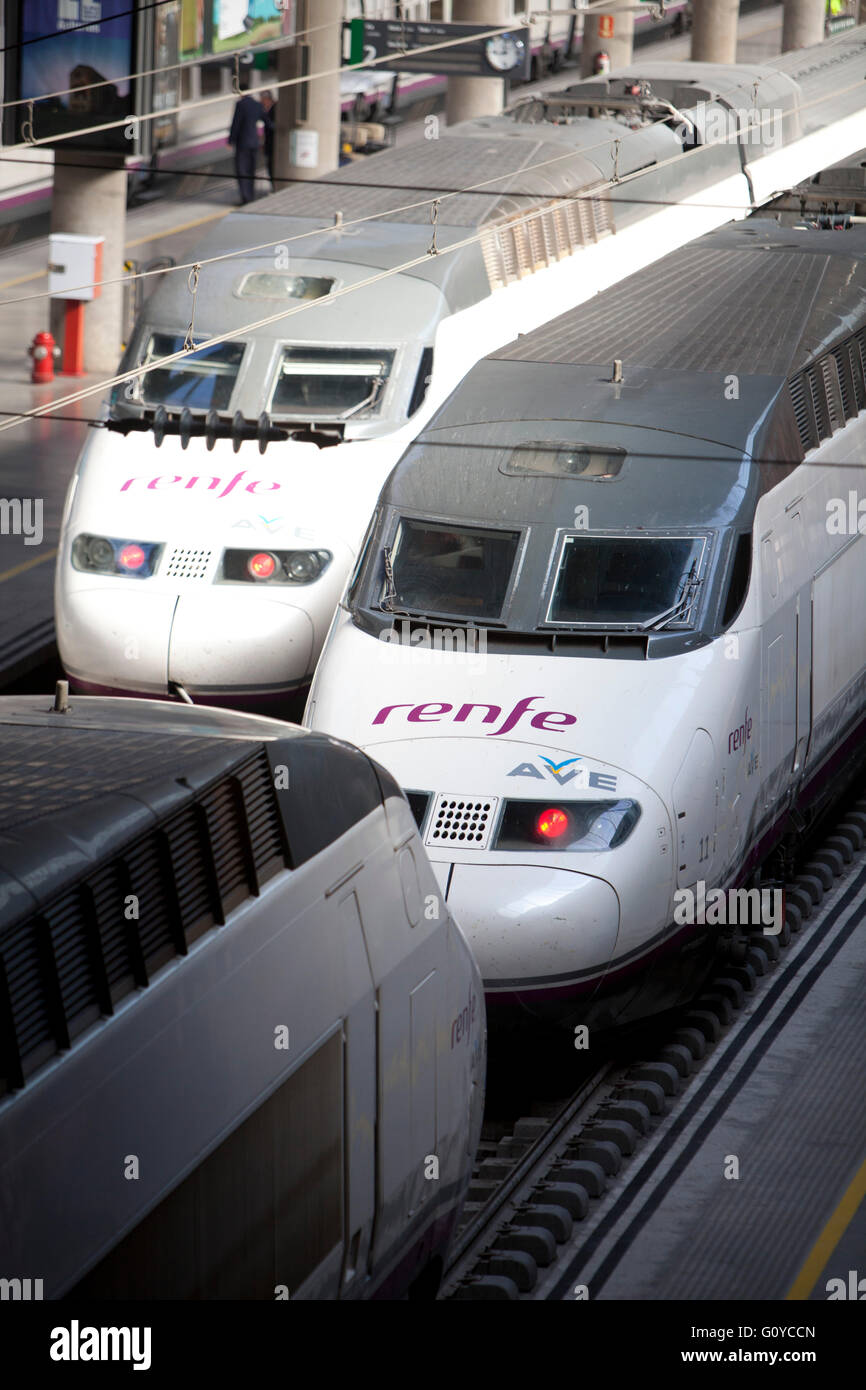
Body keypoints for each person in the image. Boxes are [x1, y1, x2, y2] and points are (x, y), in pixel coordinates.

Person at [228, 75, 263, 205]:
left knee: (242, 170)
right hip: (254, 142)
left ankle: (245, 197)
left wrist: (231, 140)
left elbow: (236, 124)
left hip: (242, 143)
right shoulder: (257, 104)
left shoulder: (240, 105)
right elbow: (266, 120)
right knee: (251, 170)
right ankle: (251, 195)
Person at [259, 90, 276, 189]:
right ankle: (273, 186)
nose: (261, 103)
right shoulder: (267, 110)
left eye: (262, 100)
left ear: (267, 99)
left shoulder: (275, 109)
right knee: (270, 166)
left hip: (274, 144)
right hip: (269, 145)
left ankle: (274, 187)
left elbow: (272, 126)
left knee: (272, 166)